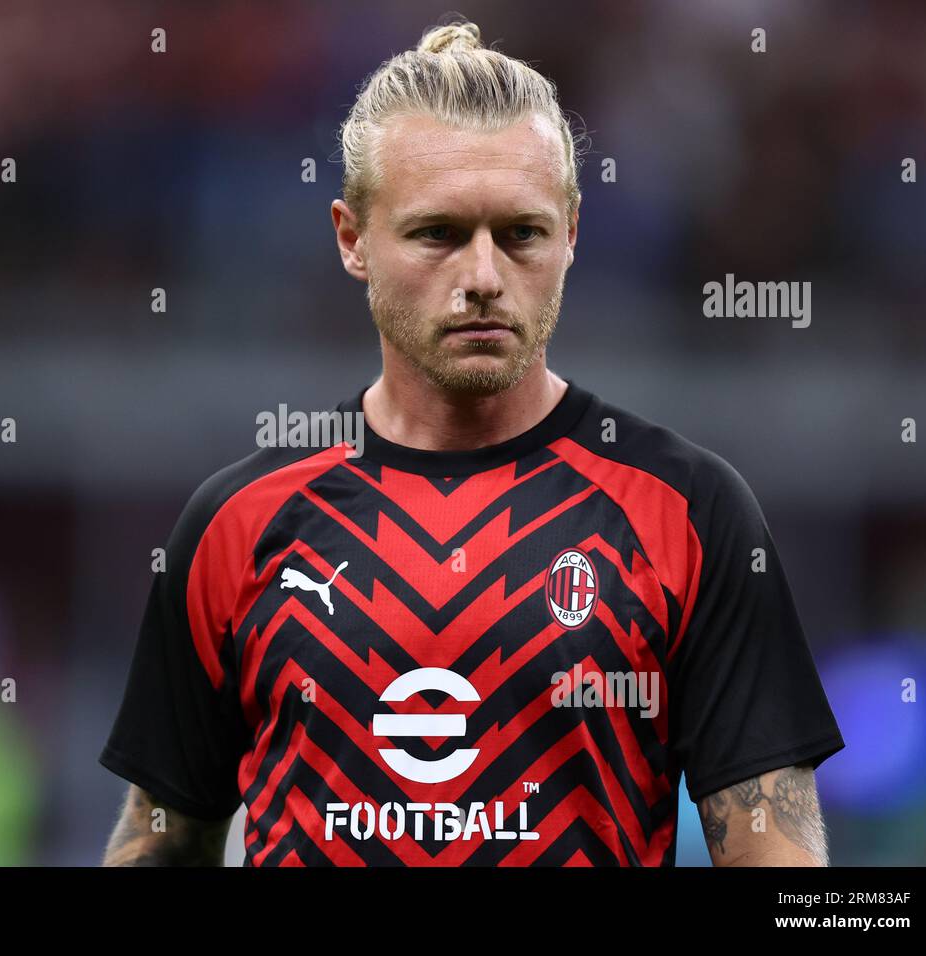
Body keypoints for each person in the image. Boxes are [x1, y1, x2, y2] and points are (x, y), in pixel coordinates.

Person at [99, 18, 843, 866]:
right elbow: (159, 839)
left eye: (520, 233)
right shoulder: (238, 522)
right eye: (438, 234)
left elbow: (780, 866)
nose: (484, 278)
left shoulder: (690, 512)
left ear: (571, 232)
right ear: (352, 239)